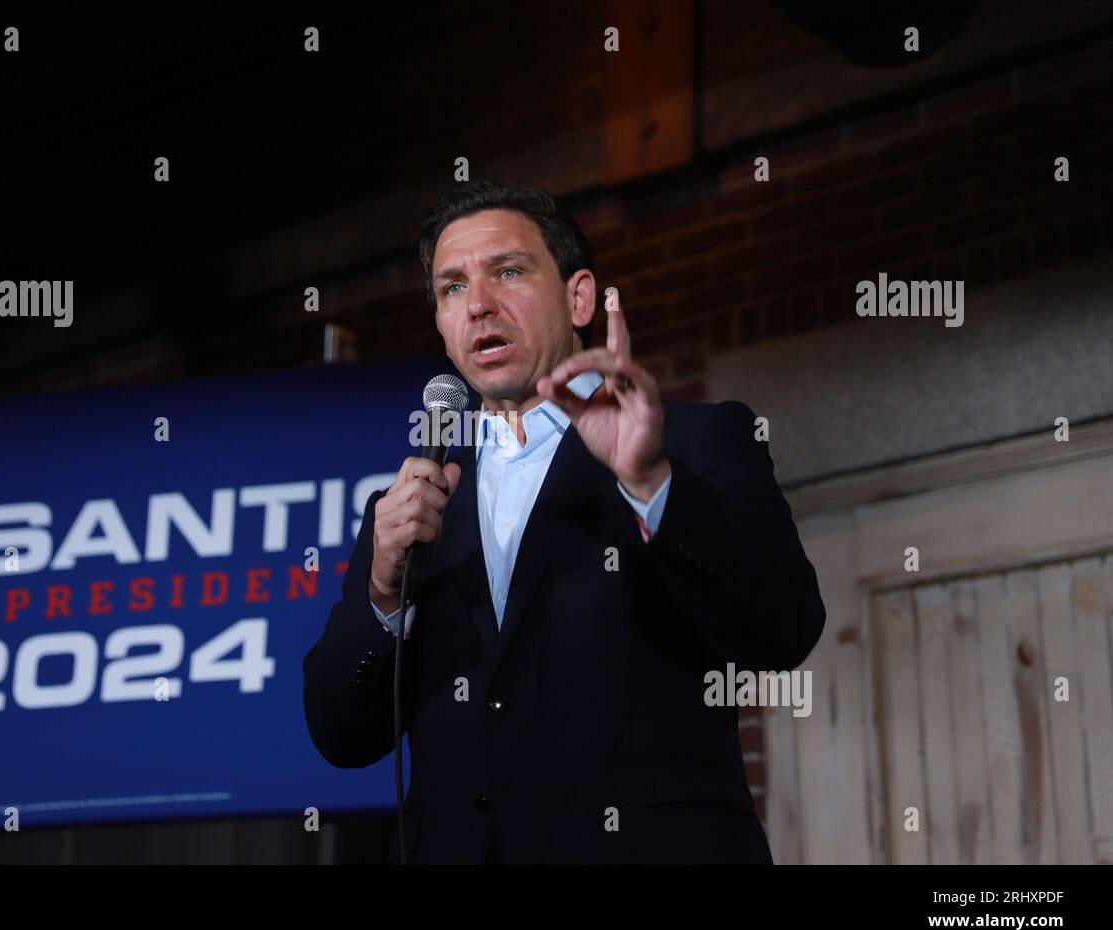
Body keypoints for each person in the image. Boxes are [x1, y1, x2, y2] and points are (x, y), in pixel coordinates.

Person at [303, 181, 825, 863]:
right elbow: (341, 735)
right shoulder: (414, 505)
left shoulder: (692, 442)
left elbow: (784, 628)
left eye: (508, 271)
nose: (479, 303)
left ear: (579, 297)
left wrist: (650, 484)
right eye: (452, 287)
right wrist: (379, 590)